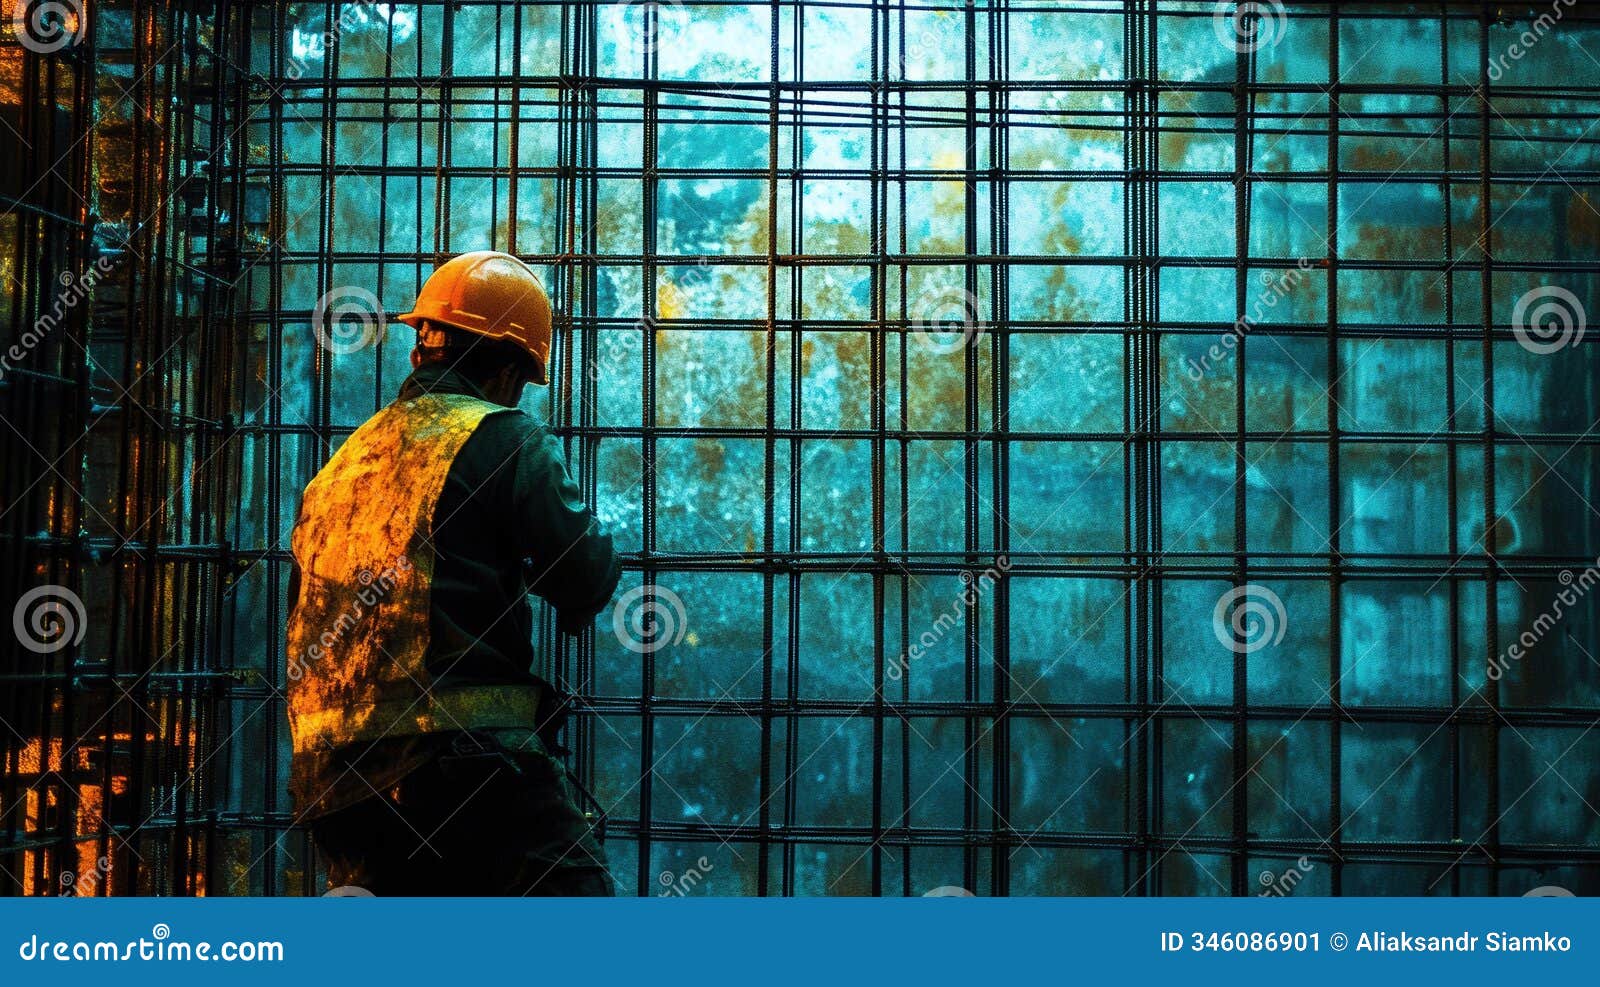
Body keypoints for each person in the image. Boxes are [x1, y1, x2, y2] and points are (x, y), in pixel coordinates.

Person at [285, 250, 620, 895]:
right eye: (521, 381)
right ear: (507, 373)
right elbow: (583, 572)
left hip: (333, 778)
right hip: (459, 757)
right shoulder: (504, 437)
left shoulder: (343, 466)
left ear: (420, 352)